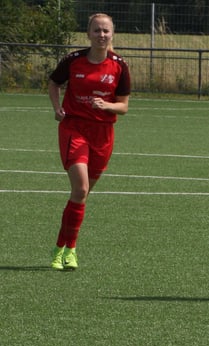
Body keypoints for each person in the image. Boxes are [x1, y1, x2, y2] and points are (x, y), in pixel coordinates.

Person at [47, 13, 130, 271]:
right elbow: (53, 83)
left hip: (103, 134)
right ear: (88, 33)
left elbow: (124, 106)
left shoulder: (119, 65)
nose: (101, 35)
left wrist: (107, 105)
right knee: (81, 189)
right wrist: (57, 107)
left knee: (80, 195)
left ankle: (62, 246)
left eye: (105, 31)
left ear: (112, 34)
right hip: (74, 128)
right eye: (96, 30)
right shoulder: (73, 60)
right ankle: (70, 250)